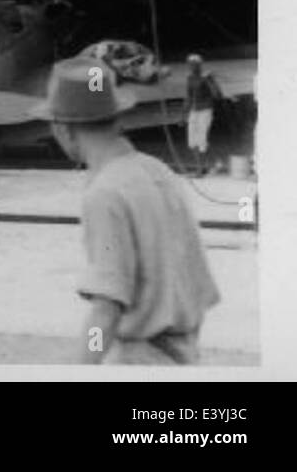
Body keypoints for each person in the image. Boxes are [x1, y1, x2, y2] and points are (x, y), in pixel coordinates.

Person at [37, 56, 220, 365]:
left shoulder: (105, 194)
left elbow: (105, 312)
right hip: (184, 358)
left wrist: (80, 368)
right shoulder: (161, 173)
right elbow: (197, 291)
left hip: (136, 360)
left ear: (62, 129)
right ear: (117, 117)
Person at [184, 53, 224, 174]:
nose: (192, 66)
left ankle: (202, 168)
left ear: (200, 65)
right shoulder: (189, 78)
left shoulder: (206, 77)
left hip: (205, 110)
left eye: (194, 64)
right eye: (190, 64)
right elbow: (189, 97)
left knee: (202, 140)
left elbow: (218, 95)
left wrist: (211, 81)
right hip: (194, 111)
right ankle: (201, 166)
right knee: (192, 141)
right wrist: (183, 114)